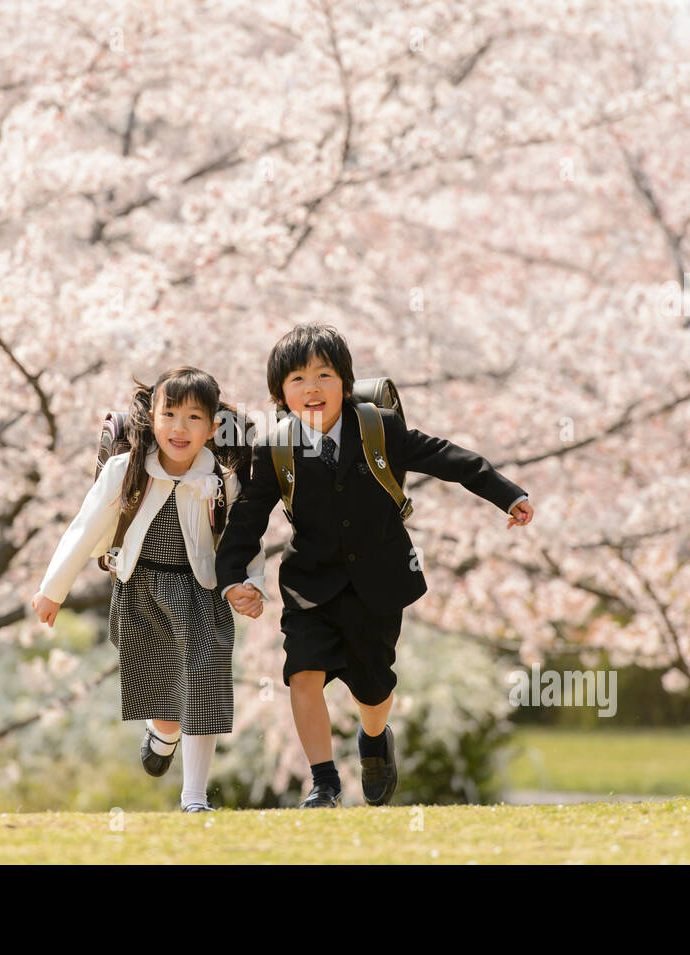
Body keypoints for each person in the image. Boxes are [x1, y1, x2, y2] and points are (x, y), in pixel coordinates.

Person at [216, 324, 535, 808]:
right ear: (279, 393)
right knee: (302, 673)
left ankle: (373, 740)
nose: (313, 388)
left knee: (373, 686)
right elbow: (246, 521)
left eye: (325, 375)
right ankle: (323, 782)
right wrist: (233, 579)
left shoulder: (379, 428)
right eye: (298, 379)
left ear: (345, 383)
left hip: (379, 582)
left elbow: (448, 458)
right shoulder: (276, 447)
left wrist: (507, 495)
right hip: (310, 585)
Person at [31, 367, 267, 812]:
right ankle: (165, 730)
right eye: (170, 414)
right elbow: (85, 528)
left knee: (204, 683)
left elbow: (243, 539)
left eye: (195, 418)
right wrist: (53, 590)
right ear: (152, 418)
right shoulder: (127, 470)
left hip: (200, 593)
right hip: (140, 589)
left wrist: (249, 584)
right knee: (163, 692)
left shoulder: (221, 479)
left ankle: (194, 798)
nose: (180, 429)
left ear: (214, 427)